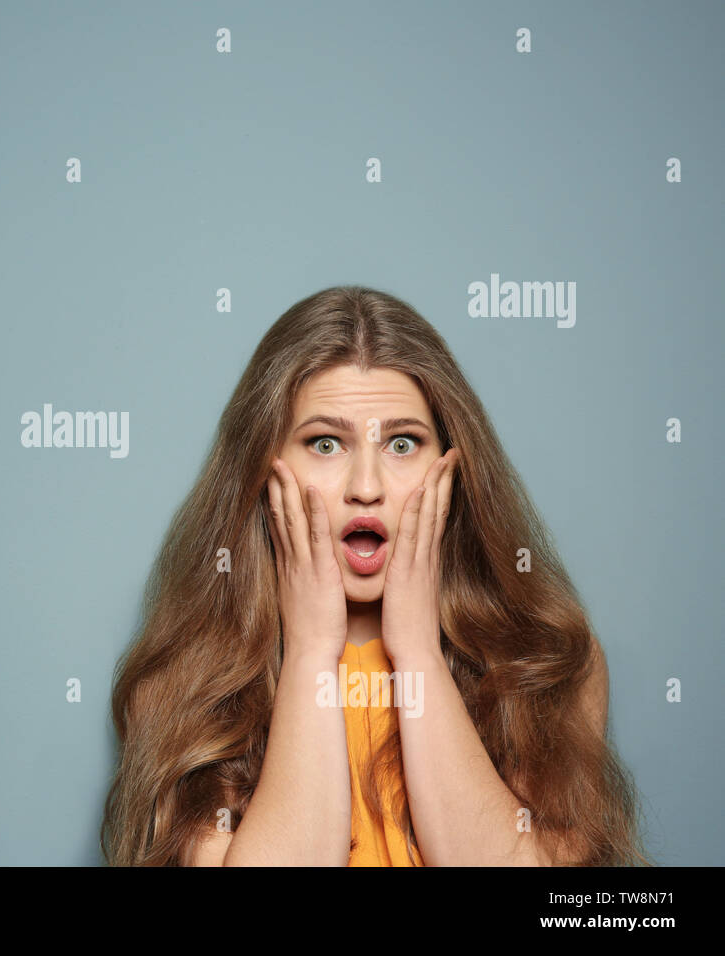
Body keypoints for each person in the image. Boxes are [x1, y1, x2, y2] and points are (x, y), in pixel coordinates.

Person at [100, 286, 648, 866]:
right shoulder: (183, 680)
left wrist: (416, 654)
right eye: (326, 442)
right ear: (263, 470)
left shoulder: (552, 661)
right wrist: (312, 653)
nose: (367, 485)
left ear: (455, 470)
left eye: (402, 442)